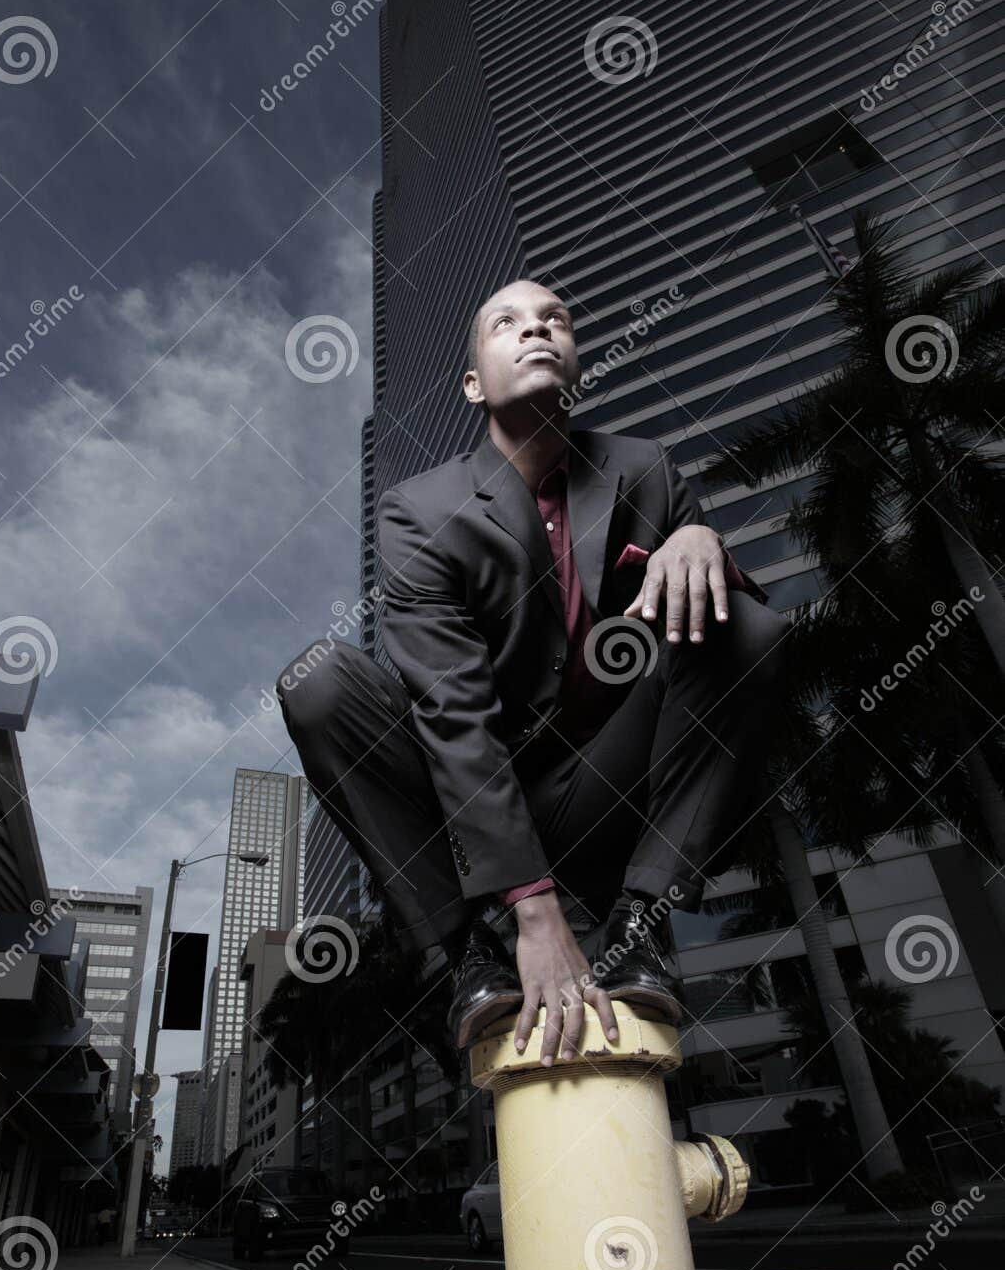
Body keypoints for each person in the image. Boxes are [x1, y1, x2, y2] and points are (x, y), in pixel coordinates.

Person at [277, 278, 787, 1064]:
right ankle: (463, 952)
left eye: (555, 319)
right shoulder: (419, 507)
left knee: (748, 625)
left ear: (576, 361)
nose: (536, 329)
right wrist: (532, 914)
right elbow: (452, 710)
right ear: (474, 382)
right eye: (506, 322)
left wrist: (699, 538)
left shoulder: (644, 469)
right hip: (468, 812)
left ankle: (639, 916)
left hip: (601, 790)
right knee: (318, 679)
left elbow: (709, 634)